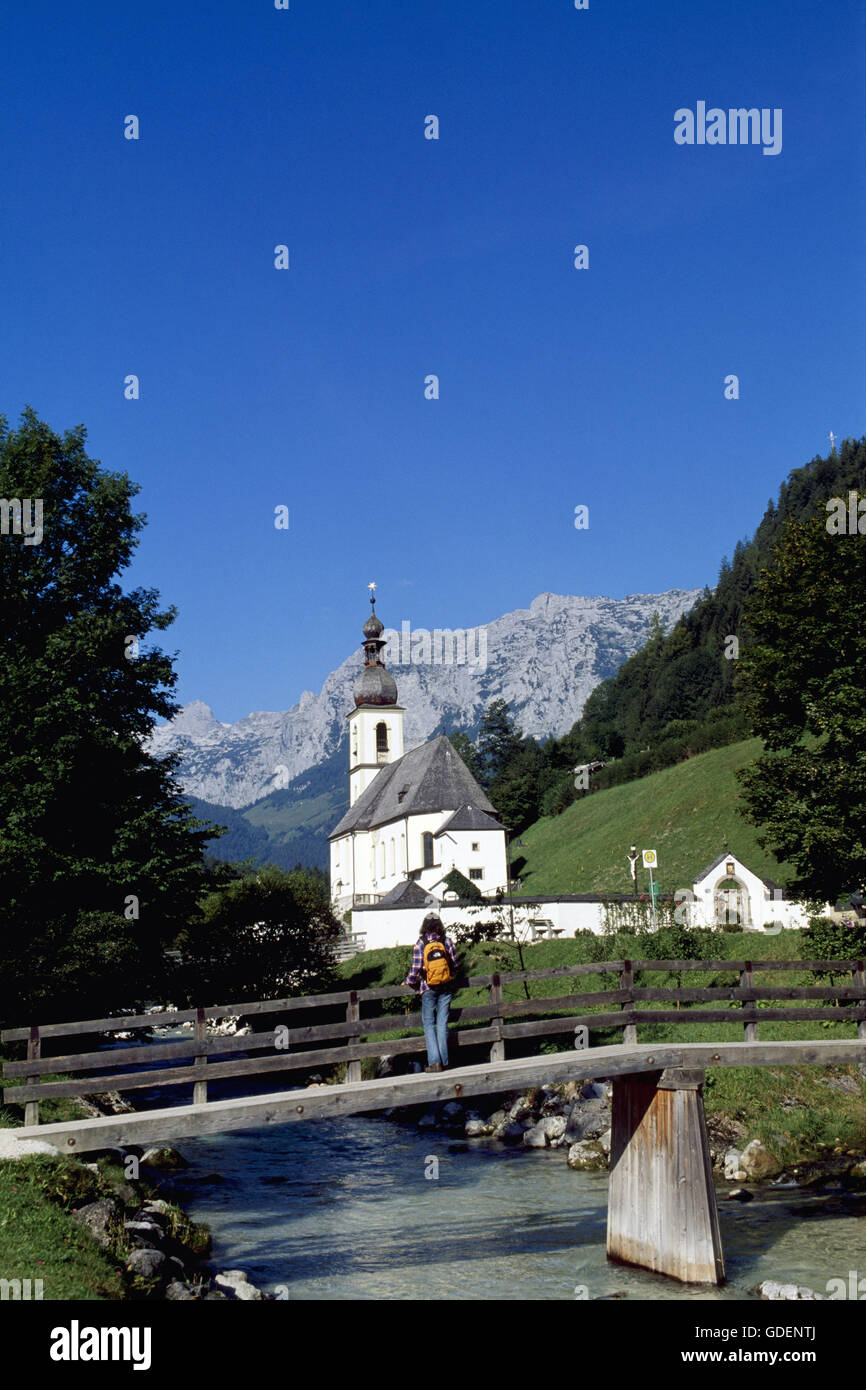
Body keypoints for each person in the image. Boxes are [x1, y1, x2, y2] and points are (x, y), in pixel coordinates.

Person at [404, 913, 459, 1071]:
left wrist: (407, 982)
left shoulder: (420, 943)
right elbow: (455, 965)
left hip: (428, 988)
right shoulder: (447, 941)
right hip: (446, 987)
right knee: (442, 1023)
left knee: (428, 1024)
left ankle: (434, 1062)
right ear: (440, 925)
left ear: (424, 926)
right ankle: (445, 1061)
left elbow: (414, 971)